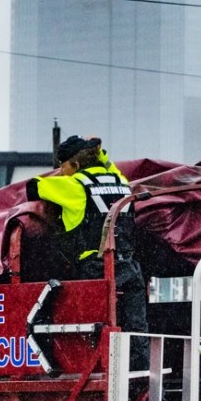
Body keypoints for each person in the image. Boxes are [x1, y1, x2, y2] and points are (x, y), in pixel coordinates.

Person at [27, 135, 150, 383]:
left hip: (95, 270)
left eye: (63, 166)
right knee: (137, 334)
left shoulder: (76, 185)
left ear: (74, 164)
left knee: (93, 334)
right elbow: (107, 165)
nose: (62, 172)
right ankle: (142, 387)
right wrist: (98, 154)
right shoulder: (119, 180)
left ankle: (98, 381)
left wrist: (61, 176)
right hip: (129, 269)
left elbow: (33, 187)